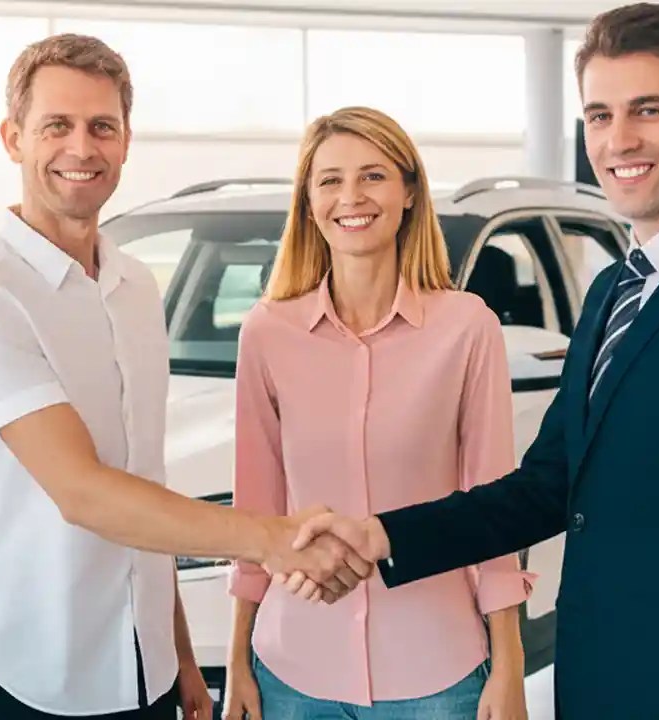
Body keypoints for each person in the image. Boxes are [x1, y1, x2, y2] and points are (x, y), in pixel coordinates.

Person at [285, 5, 659, 719]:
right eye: (599, 115)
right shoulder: (613, 292)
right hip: (597, 686)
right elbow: (548, 485)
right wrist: (383, 534)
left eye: (647, 110)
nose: (619, 140)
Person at [0, 33, 371, 720]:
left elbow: (144, 489)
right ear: (13, 138)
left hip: (144, 671)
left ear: (127, 142)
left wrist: (180, 657)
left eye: (102, 127)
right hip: (24, 675)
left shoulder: (135, 287)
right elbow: (84, 493)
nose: (83, 148)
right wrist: (276, 539)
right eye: (57, 126)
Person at [221, 106, 534, 720]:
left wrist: (510, 668)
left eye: (373, 175)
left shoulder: (468, 329)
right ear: (309, 202)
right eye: (330, 180)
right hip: (293, 671)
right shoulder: (267, 333)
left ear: (409, 190)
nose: (351, 197)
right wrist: (237, 663)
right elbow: (255, 515)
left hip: (437, 672)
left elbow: (493, 511)